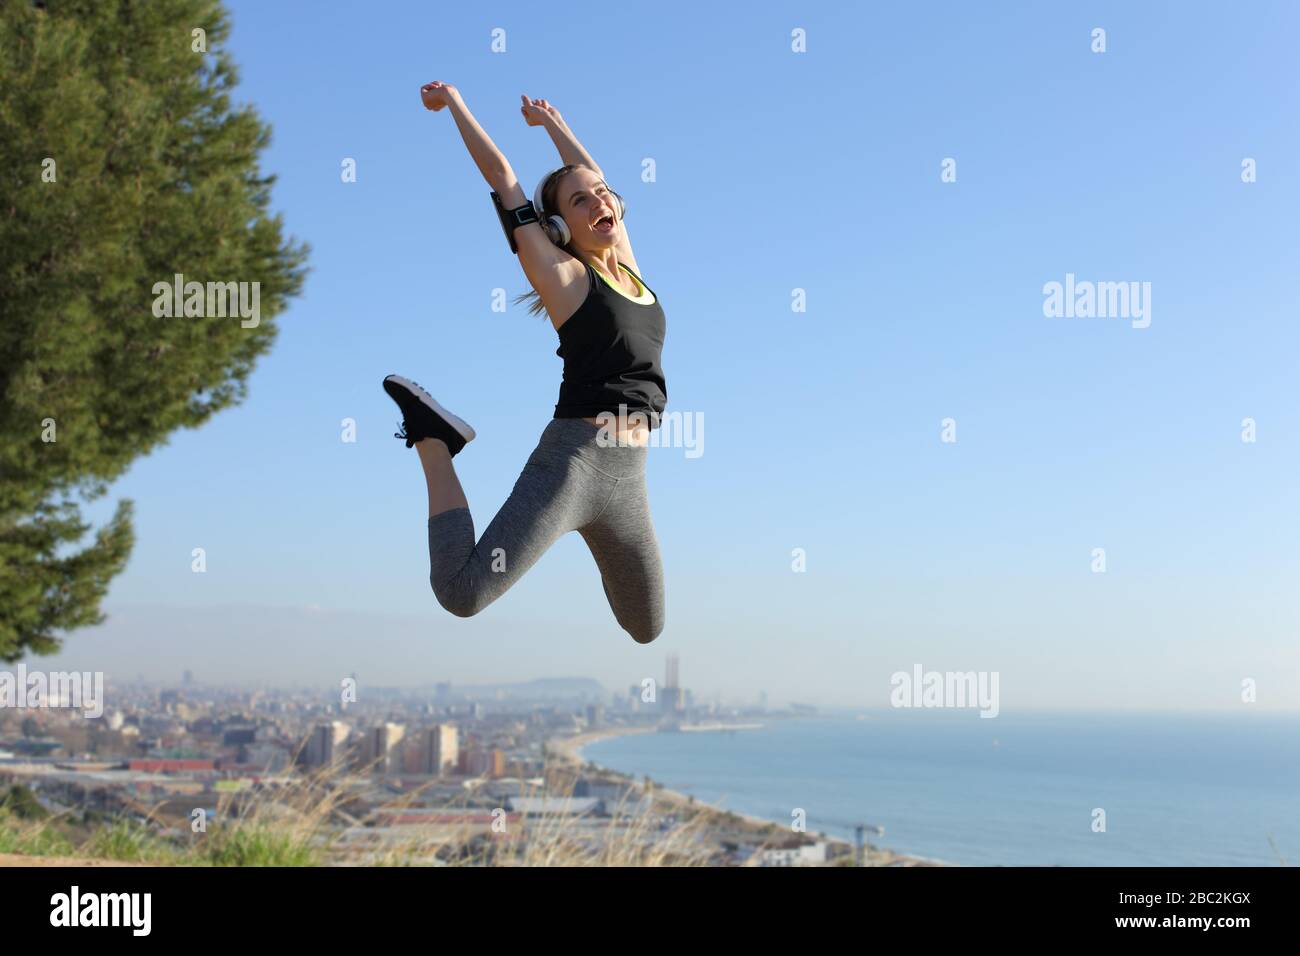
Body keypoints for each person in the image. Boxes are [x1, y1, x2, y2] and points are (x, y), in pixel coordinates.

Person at [383, 82, 667, 644]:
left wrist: (555, 124)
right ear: (557, 228)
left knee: (646, 628)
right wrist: (458, 106)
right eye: (580, 202)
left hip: (630, 480)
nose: (600, 202)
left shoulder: (628, 270)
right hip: (572, 466)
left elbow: (591, 170)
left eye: (604, 194)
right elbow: (503, 179)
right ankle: (433, 439)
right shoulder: (565, 278)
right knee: (462, 594)